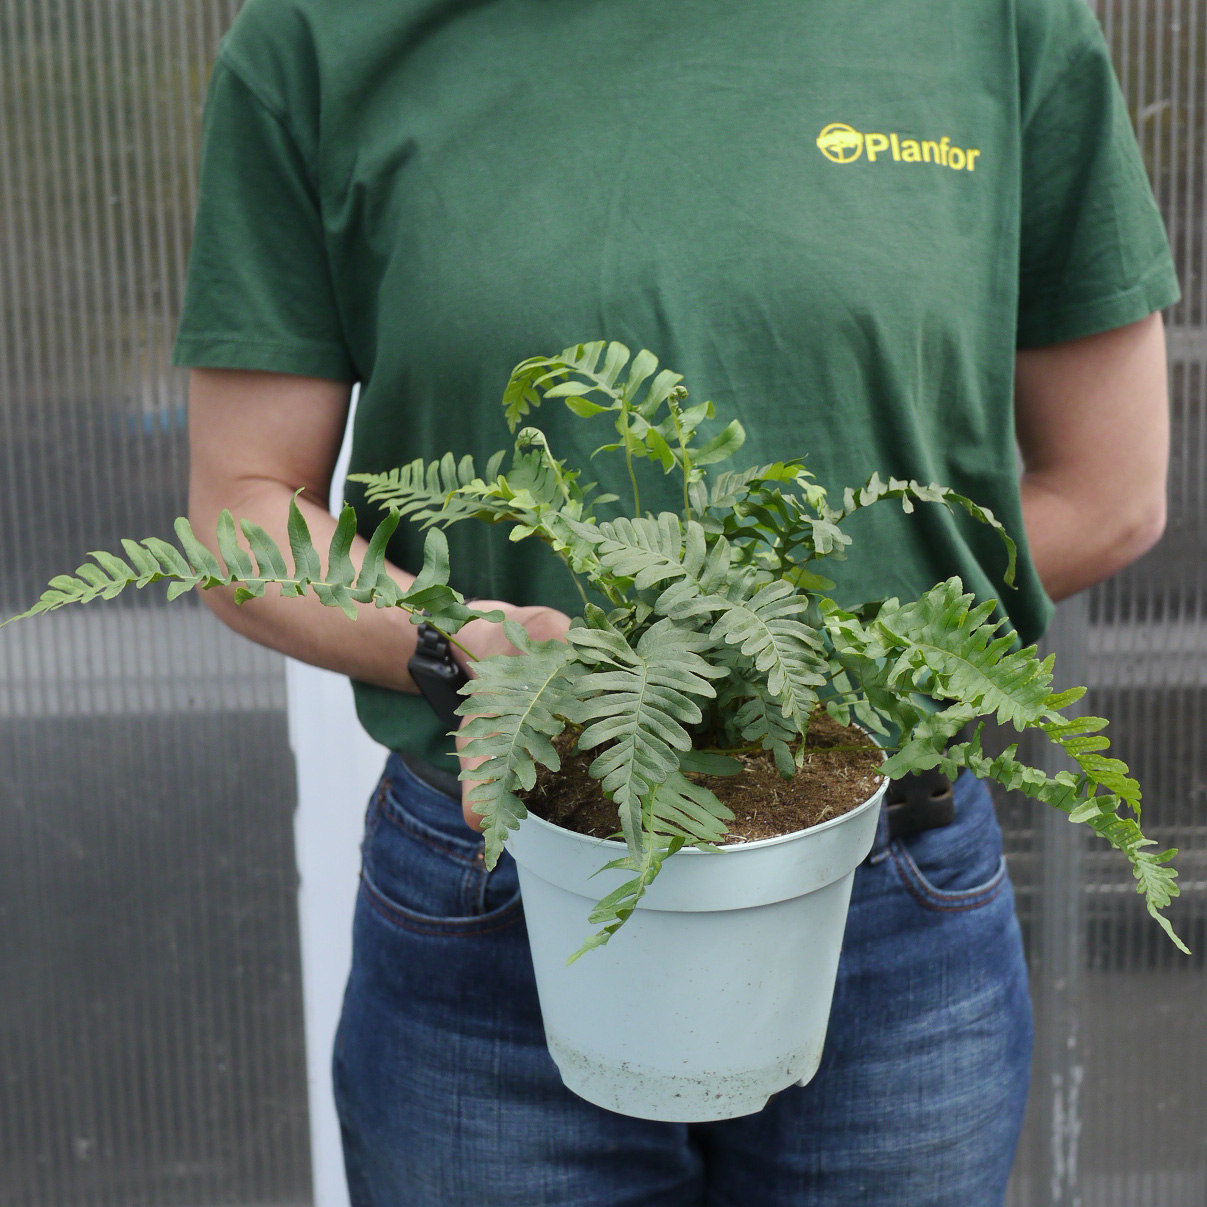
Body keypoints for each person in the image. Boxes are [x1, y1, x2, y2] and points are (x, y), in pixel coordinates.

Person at [173, 0, 1178, 1202]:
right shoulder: (322, 35)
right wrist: (475, 649)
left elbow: (1110, 490)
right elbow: (243, 512)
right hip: (499, 878)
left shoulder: (995, 24)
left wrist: (805, 653)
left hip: (886, 892)